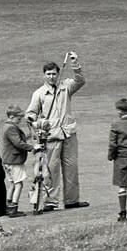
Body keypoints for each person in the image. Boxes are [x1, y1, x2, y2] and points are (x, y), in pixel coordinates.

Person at [25, 52, 88, 212]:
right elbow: (29, 116)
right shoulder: (38, 93)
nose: (52, 77)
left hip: (68, 134)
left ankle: (72, 201)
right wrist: (40, 123)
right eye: (48, 74)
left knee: (71, 168)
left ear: (58, 74)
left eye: (54, 74)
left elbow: (80, 80)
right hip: (51, 137)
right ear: (44, 75)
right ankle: (50, 202)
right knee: (51, 171)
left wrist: (75, 63)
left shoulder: (66, 87)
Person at [0, 105, 33, 216]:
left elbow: (19, 139)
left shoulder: (7, 126)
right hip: (14, 160)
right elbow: (18, 143)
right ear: (11, 116)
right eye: (18, 119)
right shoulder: (11, 128)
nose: (19, 121)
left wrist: (30, 132)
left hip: (8, 160)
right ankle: (13, 209)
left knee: (13, 184)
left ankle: (7, 206)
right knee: (19, 184)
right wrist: (32, 147)